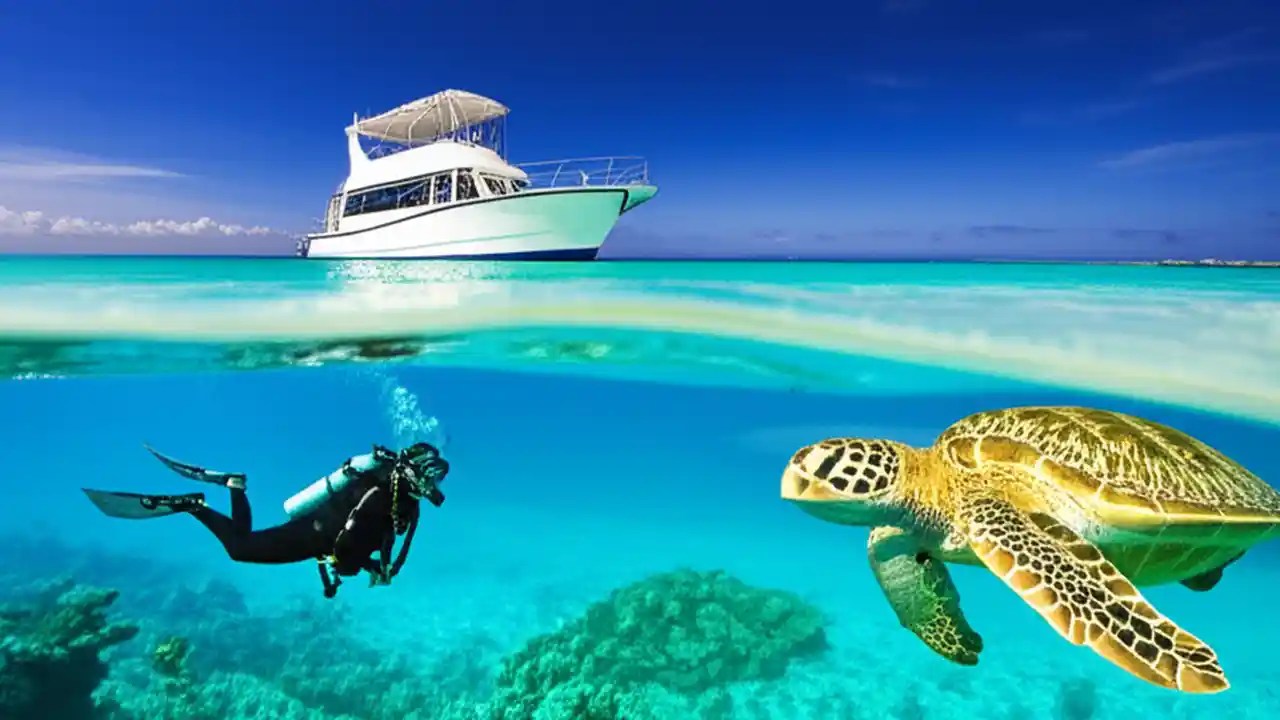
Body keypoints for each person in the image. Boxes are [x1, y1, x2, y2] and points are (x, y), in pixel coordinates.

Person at [82, 442, 449, 599]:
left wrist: (374, 566)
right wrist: (359, 568)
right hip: (311, 537)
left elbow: (379, 544)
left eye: (436, 479)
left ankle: (228, 489)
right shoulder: (382, 496)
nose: (433, 486)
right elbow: (349, 546)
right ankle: (205, 499)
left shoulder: (403, 500)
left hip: (314, 536)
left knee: (244, 543)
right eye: (430, 477)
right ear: (414, 472)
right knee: (240, 548)